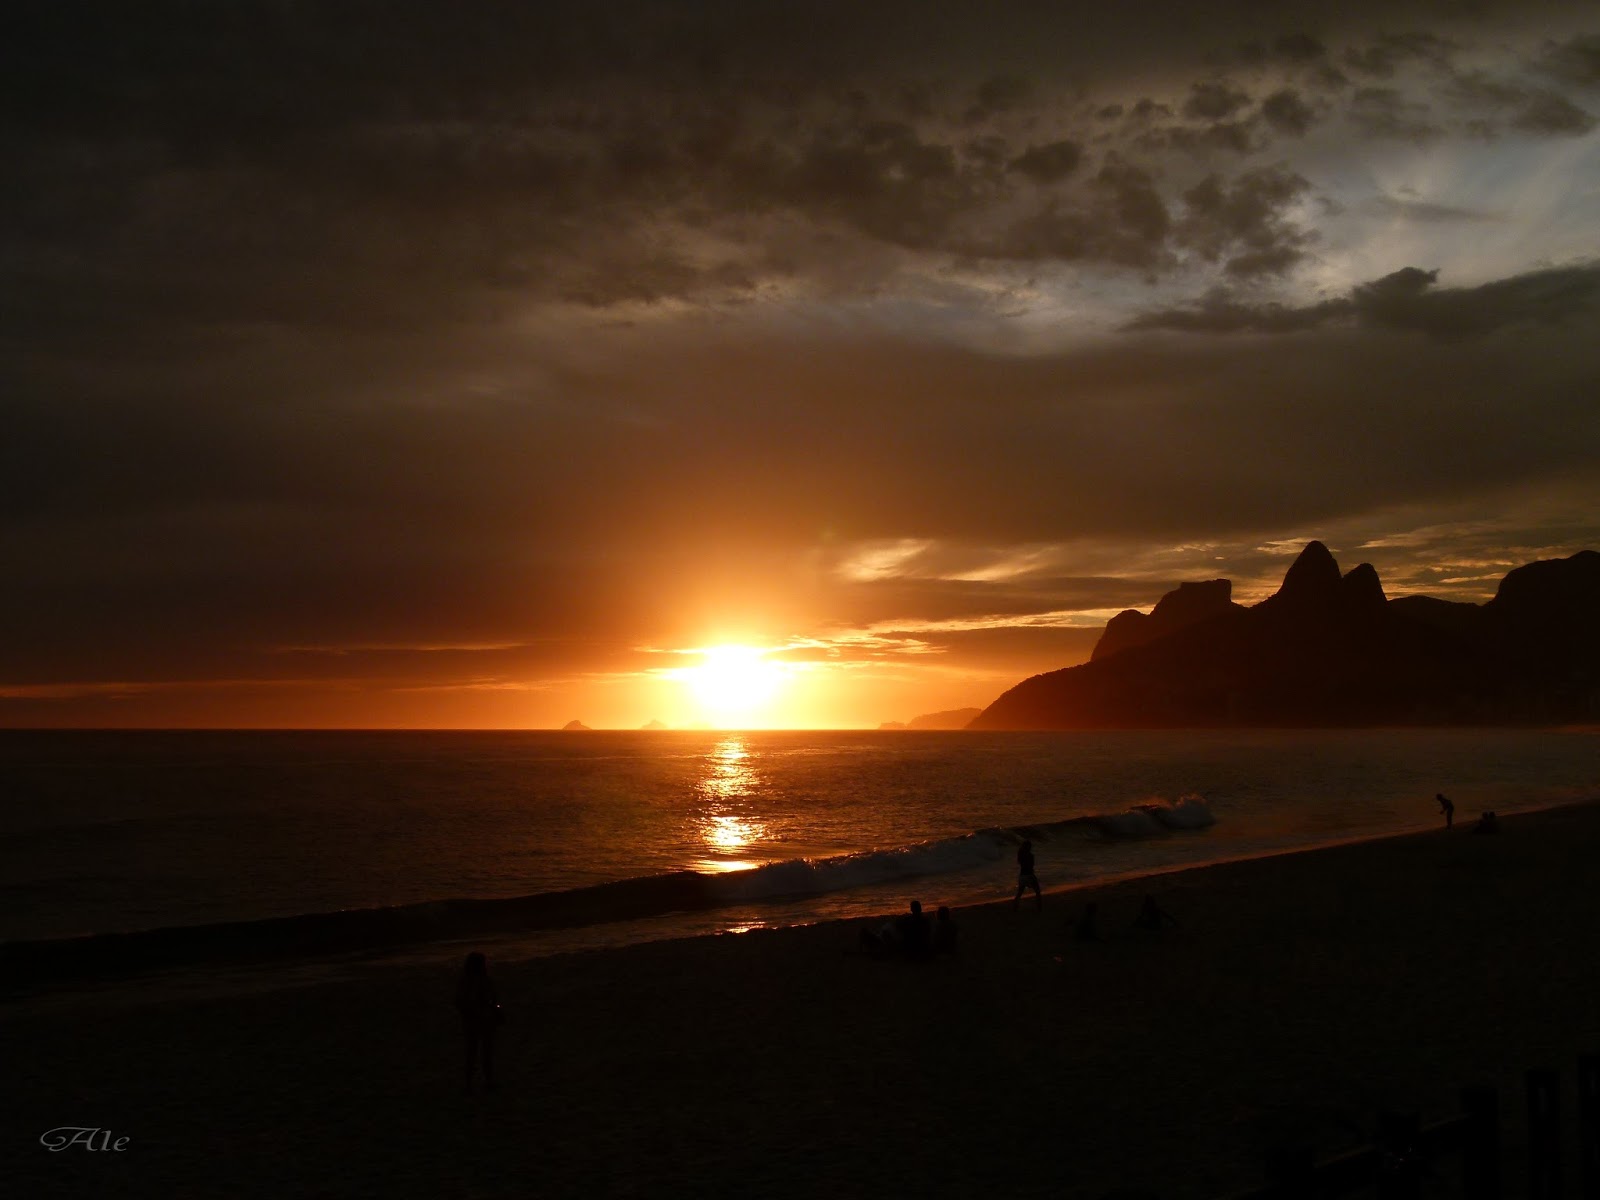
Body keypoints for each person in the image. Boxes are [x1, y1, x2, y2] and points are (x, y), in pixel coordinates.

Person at [455, 951, 501, 1092]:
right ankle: (487, 1081)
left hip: (471, 1020)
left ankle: (469, 1083)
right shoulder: (485, 980)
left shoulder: (464, 981)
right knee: (484, 1053)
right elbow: (493, 999)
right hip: (484, 1019)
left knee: (472, 1052)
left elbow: (459, 1002)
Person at [1013, 838, 1042, 911]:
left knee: (1020, 892)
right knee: (1037, 891)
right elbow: (1031, 866)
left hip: (1022, 876)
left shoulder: (1021, 855)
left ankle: (1015, 907)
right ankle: (1039, 908)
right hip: (1029, 875)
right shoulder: (1030, 855)